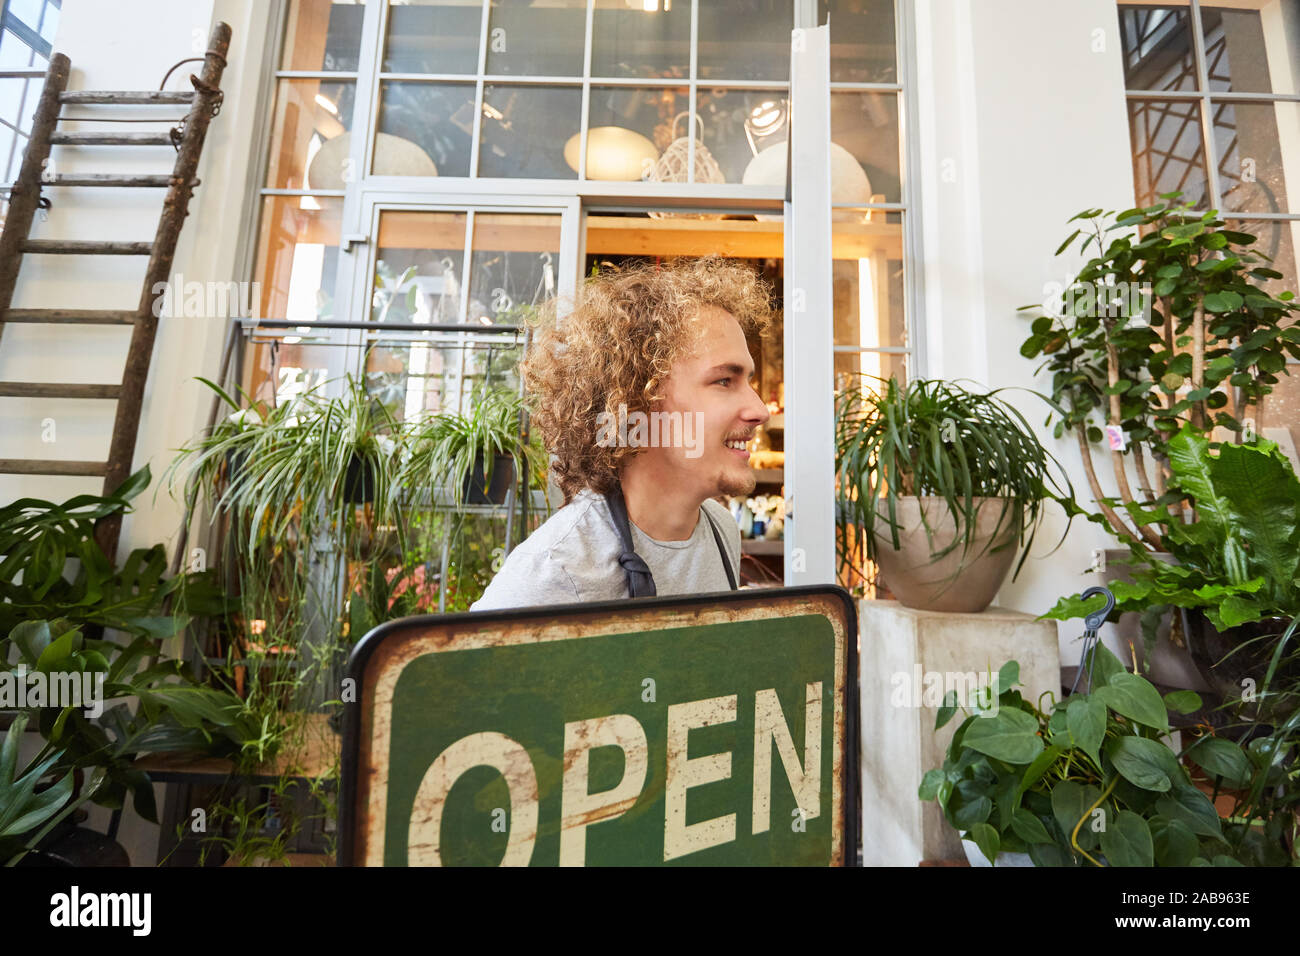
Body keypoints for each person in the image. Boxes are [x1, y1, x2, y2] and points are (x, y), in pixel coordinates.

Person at [470, 256, 774, 610]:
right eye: (724, 380)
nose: (760, 410)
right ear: (636, 400)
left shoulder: (721, 531)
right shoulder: (555, 573)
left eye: (747, 380)